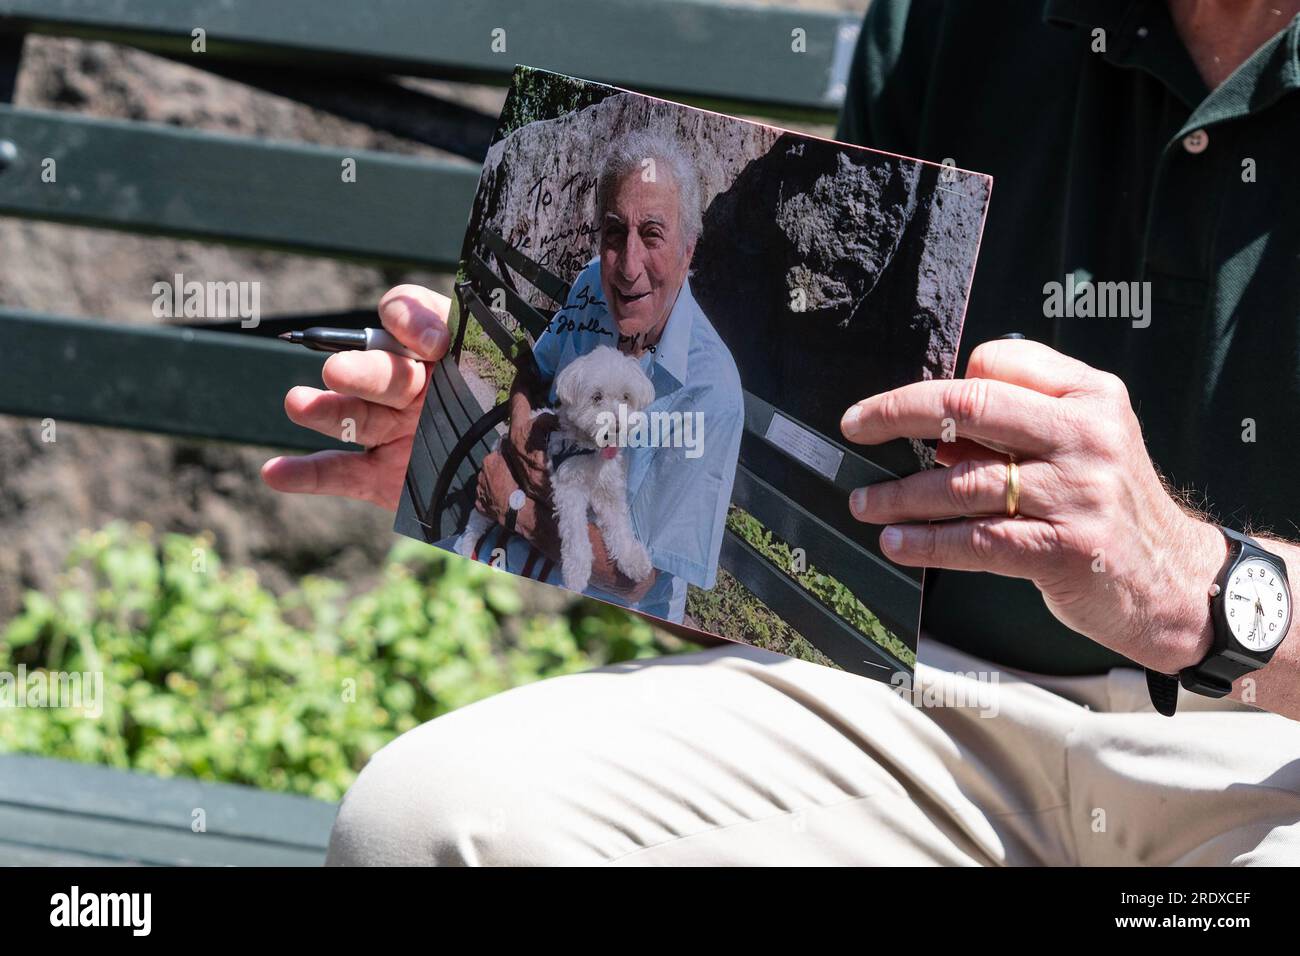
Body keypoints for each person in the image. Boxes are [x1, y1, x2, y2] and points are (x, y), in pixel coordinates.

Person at [261, 0, 1300, 865]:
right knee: (430, 820)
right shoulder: (958, 19)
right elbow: (769, 556)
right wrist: (507, 473)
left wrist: (1202, 586)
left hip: (1268, 754)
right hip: (930, 713)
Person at [436, 130, 744, 623]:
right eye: (615, 232)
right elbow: (533, 371)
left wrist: (515, 506)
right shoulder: (590, 284)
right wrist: (521, 431)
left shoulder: (710, 392)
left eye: (652, 235)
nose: (627, 267)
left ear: (688, 251)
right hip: (509, 546)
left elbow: (638, 581)